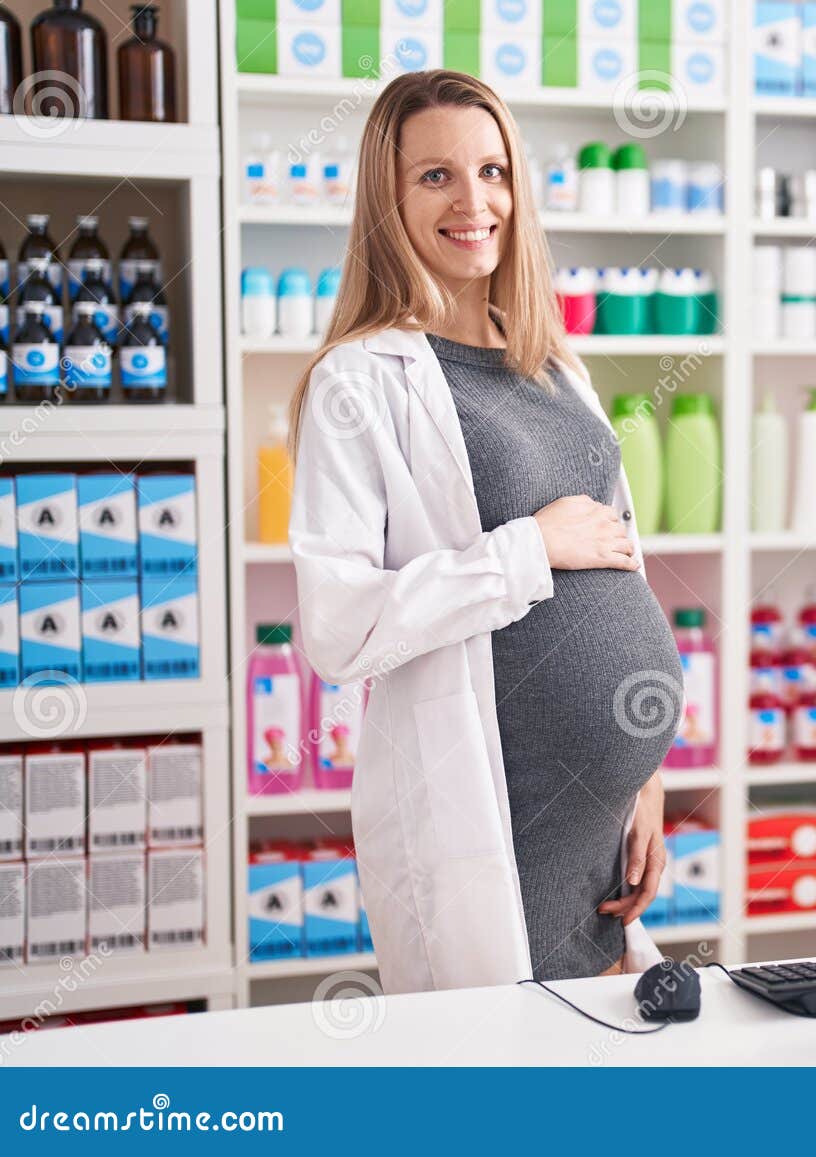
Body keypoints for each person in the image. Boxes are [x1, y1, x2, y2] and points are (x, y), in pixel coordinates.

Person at [288, 70, 680, 990]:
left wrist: (643, 771)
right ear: (387, 198)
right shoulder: (359, 380)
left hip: (601, 821)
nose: (475, 202)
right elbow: (339, 629)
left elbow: (616, 555)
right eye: (435, 177)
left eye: (493, 170)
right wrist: (526, 550)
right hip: (495, 815)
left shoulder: (553, 363)